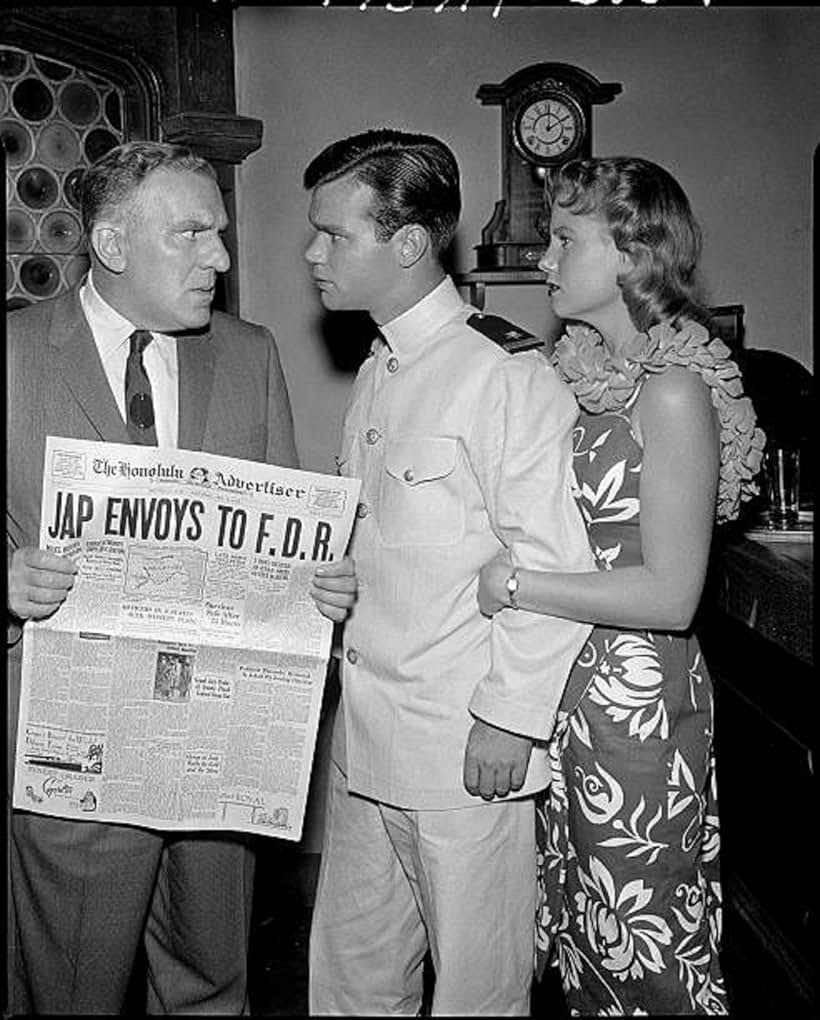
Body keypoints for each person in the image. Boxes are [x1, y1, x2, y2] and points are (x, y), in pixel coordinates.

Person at [6, 140, 357, 1015]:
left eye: (222, 233)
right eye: (194, 234)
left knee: (212, 984)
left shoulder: (248, 353)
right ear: (114, 246)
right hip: (70, 738)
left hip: (223, 742)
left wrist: (321, 591)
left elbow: (286, 538)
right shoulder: (10, 354)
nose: (223, 259)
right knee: (69, 990)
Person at [302, 127, 595, 1016]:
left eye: (333, 234)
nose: (313, 255)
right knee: (352, 979)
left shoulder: (503, 375)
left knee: (478, 989)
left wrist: (510, 721)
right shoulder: (382, 367)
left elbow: (555, 565)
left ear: (409, 242)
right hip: (365, 743)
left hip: (465, 750)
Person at [477, 156, 765, 1015]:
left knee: (646, 941)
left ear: (635, 254)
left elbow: (671, 596)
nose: (545, 260)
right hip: (568, 687)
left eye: (566, 239)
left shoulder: (675, 392)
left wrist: (523, 585)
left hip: (638, 702)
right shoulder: (588, 375)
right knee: (582, 936)